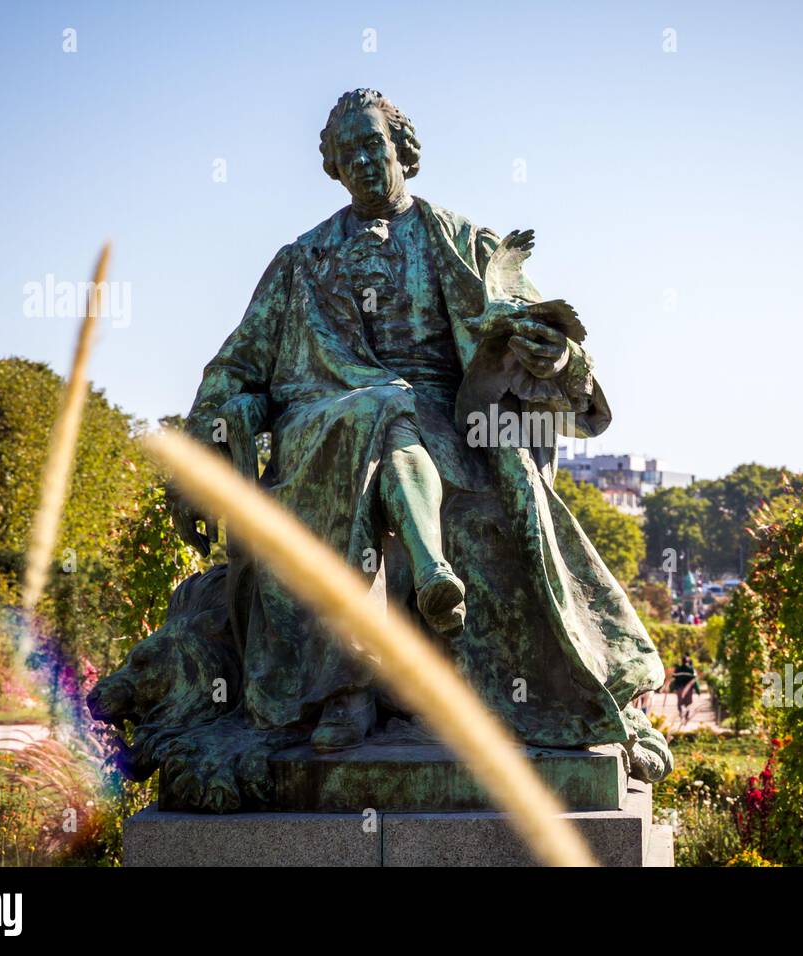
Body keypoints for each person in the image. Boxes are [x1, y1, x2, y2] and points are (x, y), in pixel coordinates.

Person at [169, 89, 672, 782]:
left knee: (403, 415)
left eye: (375, 147)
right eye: (350, 156)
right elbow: (231, 373)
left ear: (403, 151)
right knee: (378, 408)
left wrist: (554, 357)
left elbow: (567, 361)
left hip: (458, 433)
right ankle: (395, 622)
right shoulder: (300, 262)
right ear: (336, 171)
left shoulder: (467, 245)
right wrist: (205, 446)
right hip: (330, 432)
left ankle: (367, 680)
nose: (366, 164)